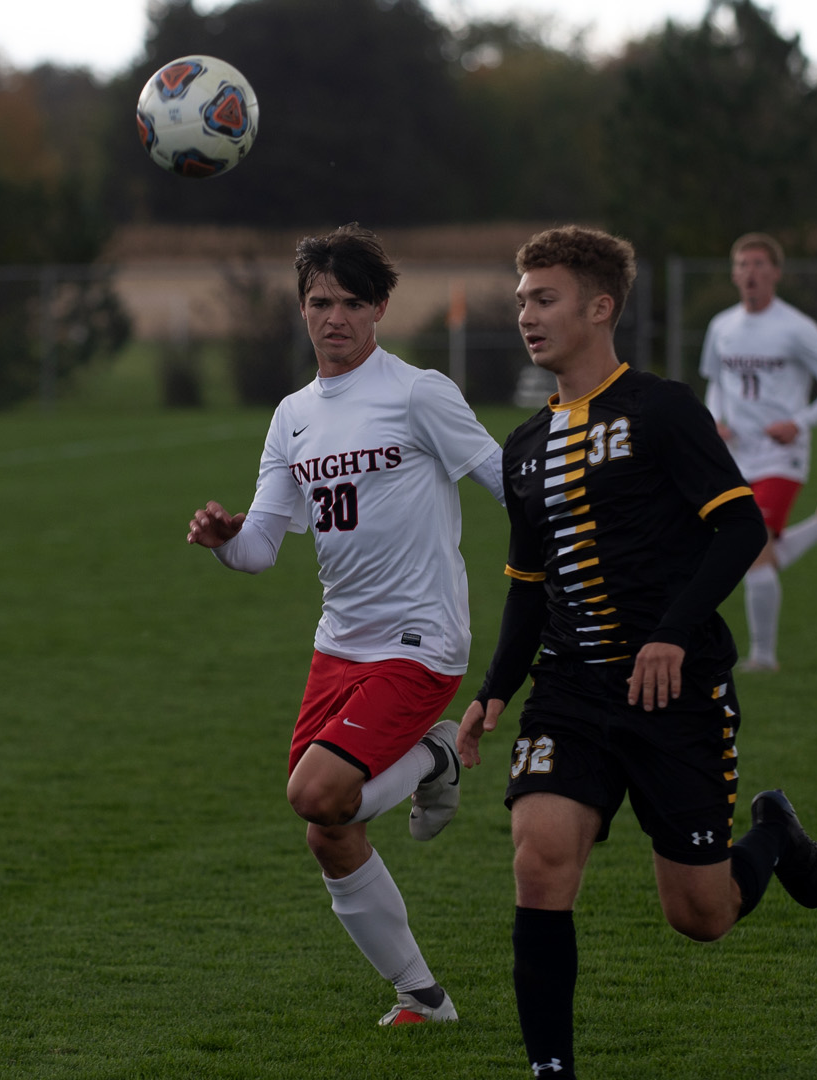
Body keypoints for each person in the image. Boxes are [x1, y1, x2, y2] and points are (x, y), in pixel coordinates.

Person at [457, 226, 817, 1078]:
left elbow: (739, 527)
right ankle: (550, 1069)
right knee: (540, 856)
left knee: (700, 915)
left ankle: (771, 831)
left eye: (543, 298)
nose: (526, 314)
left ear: (600, 307)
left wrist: (669, 631)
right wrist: (493, 691)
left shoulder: (662, 410)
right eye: (520, 300)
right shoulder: (522, 449)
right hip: (572, 690)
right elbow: (526, 585)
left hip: (676, 691)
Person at [185, 224, 505, 1027]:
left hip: (421, 639)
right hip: (340, 646)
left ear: (380, 309)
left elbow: (508, 482)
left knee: (318, 792)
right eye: (319, 301)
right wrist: (225, 542)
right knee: (328, 830)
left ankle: (436, 754)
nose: (334, 317)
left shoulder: (418, 392)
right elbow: (261, 548)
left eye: (351, 302)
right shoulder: (293, 415)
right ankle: (423, 997)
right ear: (301, 310)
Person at [699, 232, 817, 672]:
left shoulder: (796, 327)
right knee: (755, 547)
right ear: (733, 274)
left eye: (758, 264)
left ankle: (764, 658)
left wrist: (800, 423)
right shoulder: (722, 326)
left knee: (751, 547)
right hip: (735, 456)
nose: (750, 273)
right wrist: (714, 420)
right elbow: (716, 383)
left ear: (775, 273)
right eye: (742, 265)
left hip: (780, 458)